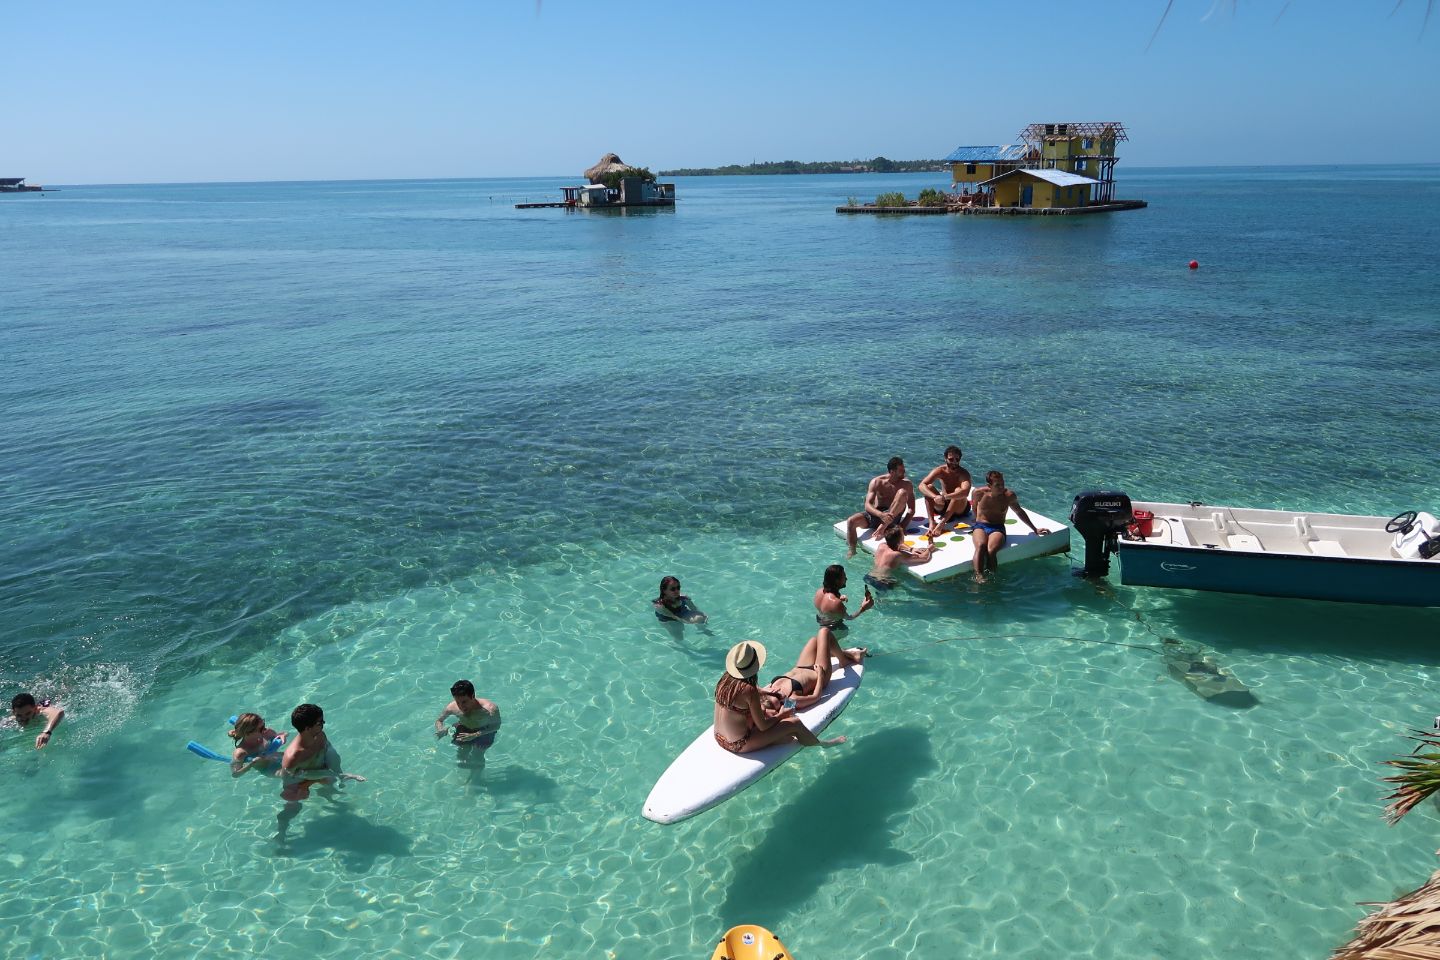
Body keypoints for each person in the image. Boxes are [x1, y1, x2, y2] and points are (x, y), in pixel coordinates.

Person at [712, 641, 845, 755]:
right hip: (737, 744)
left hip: (718, 737)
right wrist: (782, 715)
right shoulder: (750, 691)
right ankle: (822, 744)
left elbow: (742, 695)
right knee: (795, 723)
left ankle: (781, 738)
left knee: (785, 737)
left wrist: (764, 691)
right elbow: (763, 726)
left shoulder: (725, 679)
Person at [969, 470, 1051, 580]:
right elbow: (974, 506)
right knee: (980, 546)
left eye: (1002, 483)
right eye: (997, 485)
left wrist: (1034, 529)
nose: (1001, 487)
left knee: (991, 550)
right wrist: (977, 519)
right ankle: (979, 576)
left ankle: (992, 577)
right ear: (989, 485)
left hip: (997, 528)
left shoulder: (1009, 496)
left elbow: (1019, 512)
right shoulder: (978, 493)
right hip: (981, 526)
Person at [761, 630, 868, 712]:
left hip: (801, 666)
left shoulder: (766, 690)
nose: (778, 694)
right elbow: (815, 697)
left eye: (775, 695)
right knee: (824, 632)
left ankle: (846, 654)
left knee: (814, 641)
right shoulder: (791, 701)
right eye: (779, 700)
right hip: (819, 673)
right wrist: (821, 676)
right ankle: (843, 660)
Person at [844, 457, 916, 557]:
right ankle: (852, 550)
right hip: (877, 515)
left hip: (894, 518)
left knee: (902, 492)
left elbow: (911, 509)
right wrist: (881, 515)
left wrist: (903, 526)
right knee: (851, 521)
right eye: (901, 470)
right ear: (892, 471)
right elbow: (867, 505)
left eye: (904, 469)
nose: (904, 472)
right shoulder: (877, 482)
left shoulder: (907, 484)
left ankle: (883, 526)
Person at [919, 446, 973, 536]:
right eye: (951, 459)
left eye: (957, 459)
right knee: (928, 487)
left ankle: (942, 523)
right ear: (945, 459)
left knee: (958, 490)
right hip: (944, 506)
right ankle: (932, 523)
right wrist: (935, 497)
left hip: (960, 509)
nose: (954, 462)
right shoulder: (940, 470)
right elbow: (921, 485)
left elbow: (965, 492)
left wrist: (945, 497)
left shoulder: (963, 474)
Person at [435, 680, 501, 752]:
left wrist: (475, 734)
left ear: (473, 696)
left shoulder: (490, 708)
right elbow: (439, 720)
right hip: (464, 728)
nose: (461, 706)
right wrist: (440, 729)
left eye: (464, 702)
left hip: (484, 731)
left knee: (478, 754)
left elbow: (496, 726)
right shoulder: (452, 707)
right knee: (461, 753)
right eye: (457, 702)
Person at [865, 528, 935, 591]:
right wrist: (929, 549)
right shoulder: (898, 555)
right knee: (924, 587)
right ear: (901, 540)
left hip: (869, 577)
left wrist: (911, 549)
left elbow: (896, 544)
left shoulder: (881, 545)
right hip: (882, 582)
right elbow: (924, 558)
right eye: (902, 535)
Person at [814, 564, 875, 631]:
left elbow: (827, 607)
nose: (846, 579)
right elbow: (849, 618)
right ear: (837, 581)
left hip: (820, 621)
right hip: (834, 629)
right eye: (844, 577)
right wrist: (863, 608)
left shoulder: (819, 592)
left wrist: (838, 598)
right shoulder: (836, 603)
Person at [229, 712, 287, 778]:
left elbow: (283, 734)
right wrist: (251, 764)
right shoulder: (241, 752)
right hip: (270, 768)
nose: (265, 729)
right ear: (248, 733)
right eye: (261, 728)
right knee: (292, 774)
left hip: (279, 757)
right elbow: (235, 774)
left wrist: (282, 735)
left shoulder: (266, 733)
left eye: (264, 725)